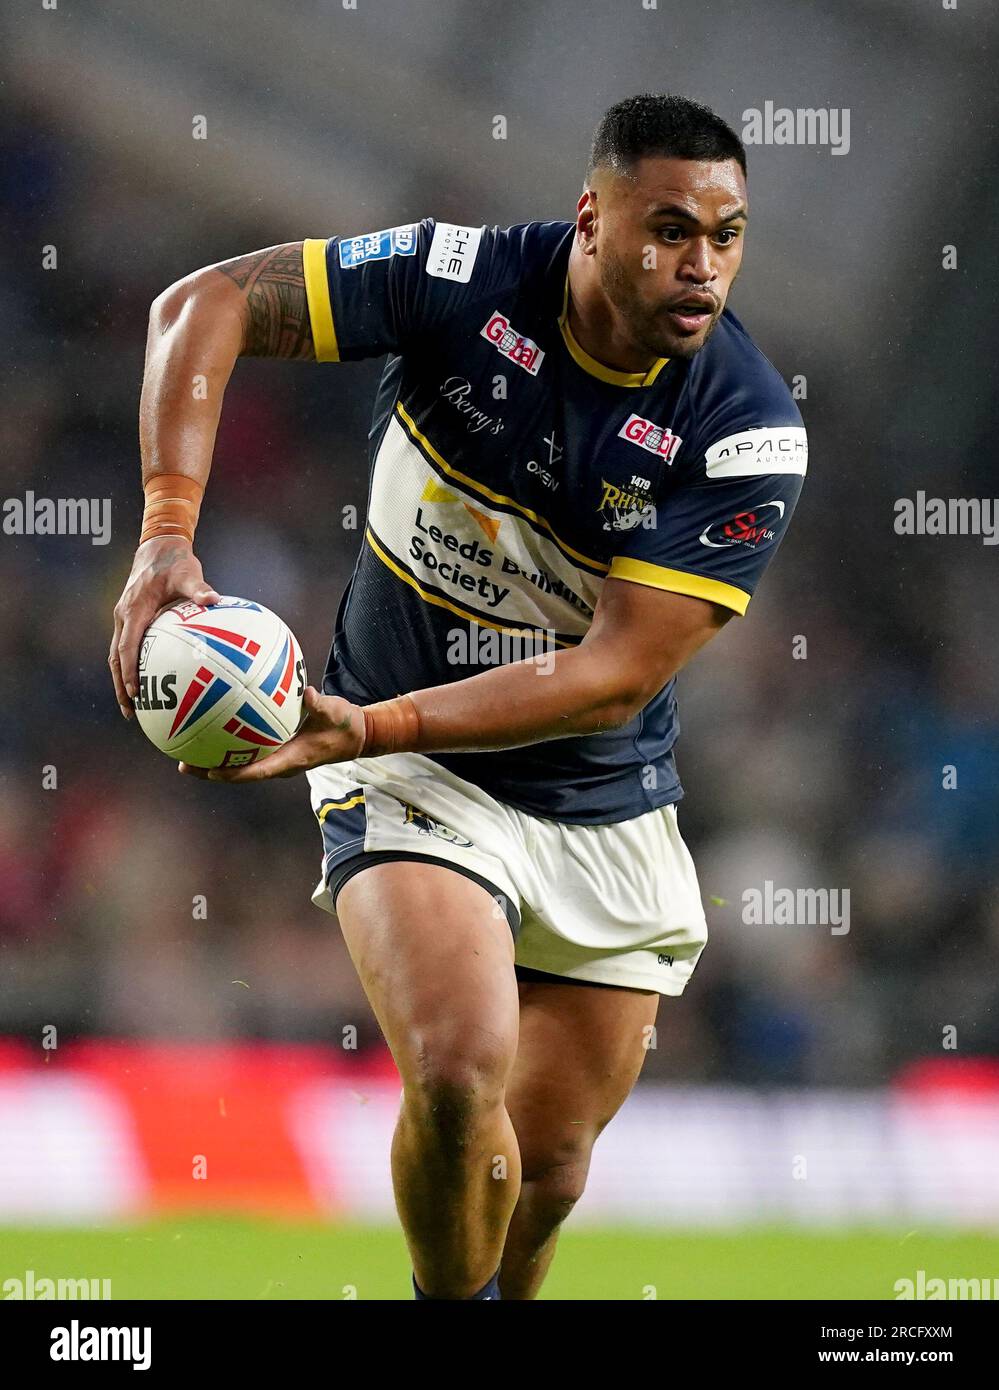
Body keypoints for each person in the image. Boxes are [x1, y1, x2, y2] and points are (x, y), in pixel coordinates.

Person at [109, 92, 807, 1300]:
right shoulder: (460, 278)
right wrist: (166, 534)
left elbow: (613, 678)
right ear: (590, 217)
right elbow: (202, 305)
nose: (702, 267)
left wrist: (366, 721)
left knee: (544, 1176)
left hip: (599, 796)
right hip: (409, 770)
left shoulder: (745, 428)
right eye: (669, 230)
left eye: (727, 235)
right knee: (453, 1065)